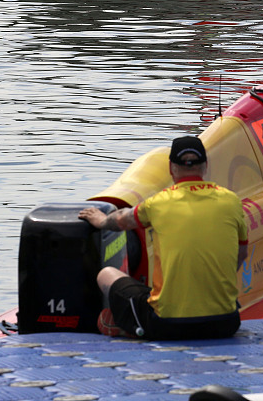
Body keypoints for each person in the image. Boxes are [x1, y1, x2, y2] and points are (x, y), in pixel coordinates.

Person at [78, 135, 248, 340]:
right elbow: (241, 254)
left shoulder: (158, 203)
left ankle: (125, 324)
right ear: (205, 167)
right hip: (226, 324)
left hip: (168, 326)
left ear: (171, 168)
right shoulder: (231, 201)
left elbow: (122, 219)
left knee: (106, 274)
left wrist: (101, 221)